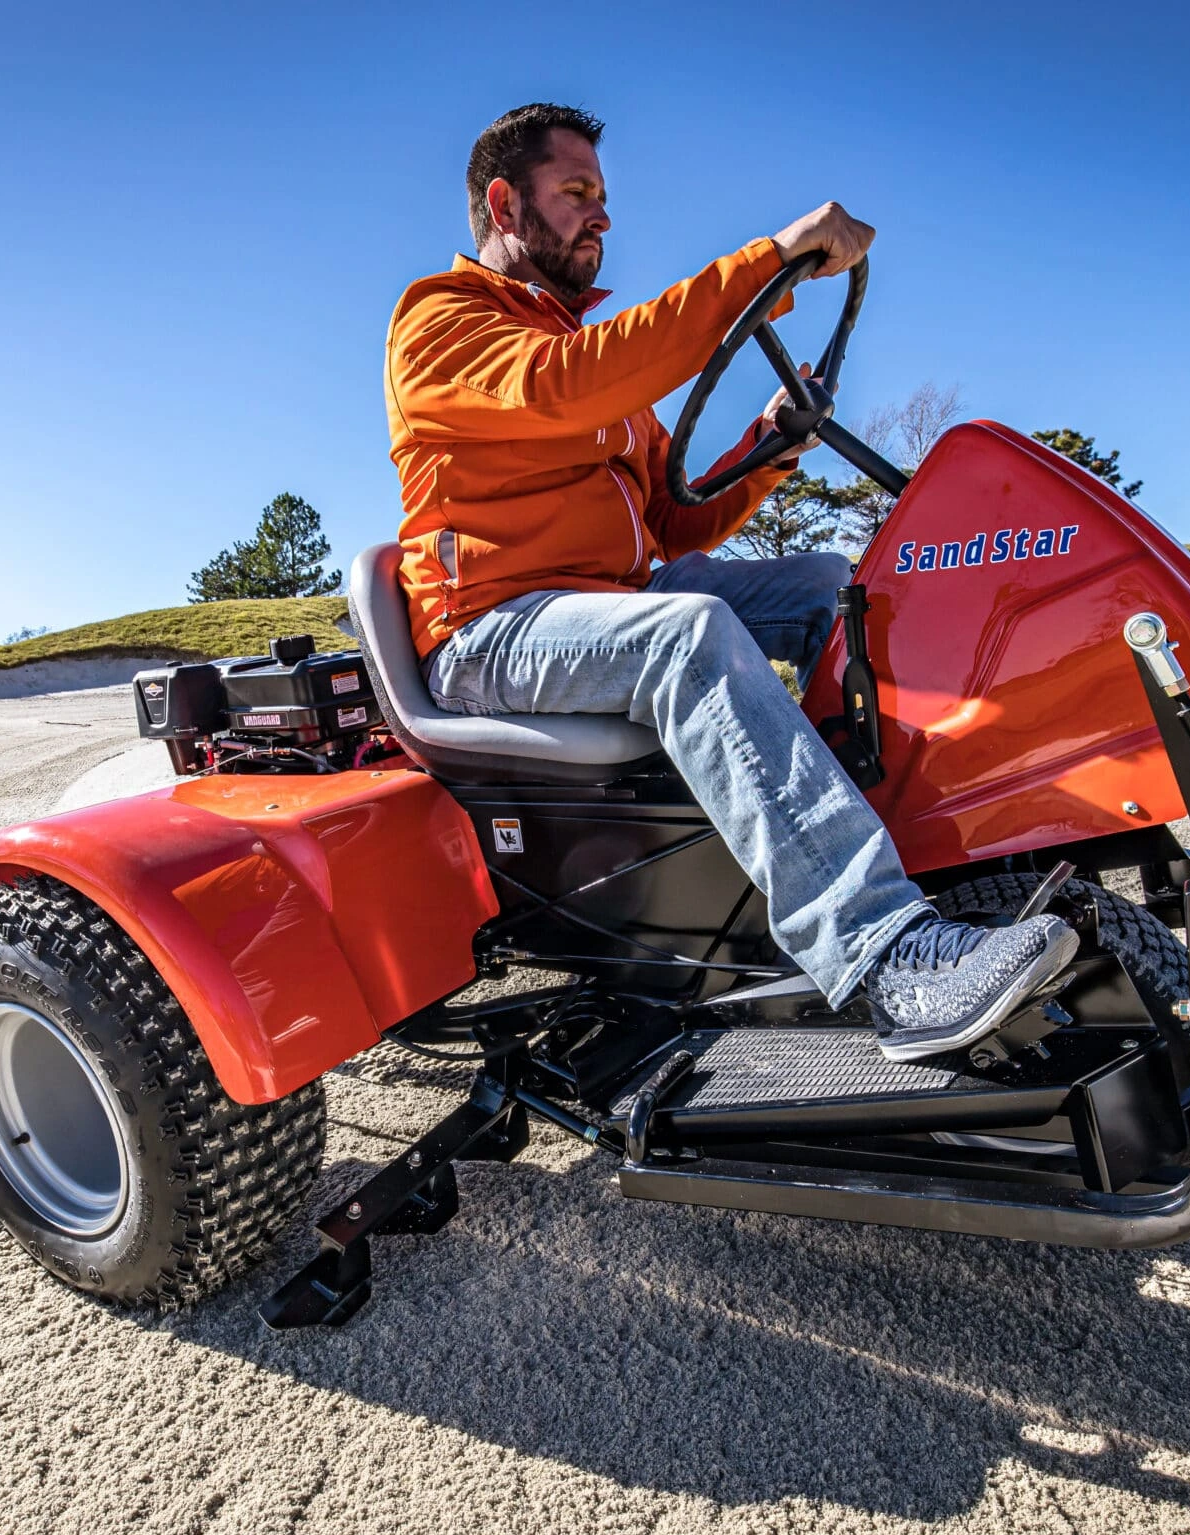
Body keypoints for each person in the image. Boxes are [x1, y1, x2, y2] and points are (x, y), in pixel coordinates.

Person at [381, 102, 1073, 1062]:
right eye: (577, 192)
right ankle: (885, 955)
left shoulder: (595, 373)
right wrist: (764, 262)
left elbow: (677, 519)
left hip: (603, 613)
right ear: (504, 204)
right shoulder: (444, 325)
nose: (602, 217)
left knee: (835, 582)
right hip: (490, 634)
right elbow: (564, 386)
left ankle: (951, 842)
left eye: (603, 196)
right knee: (689, 632)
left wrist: (770, 447)